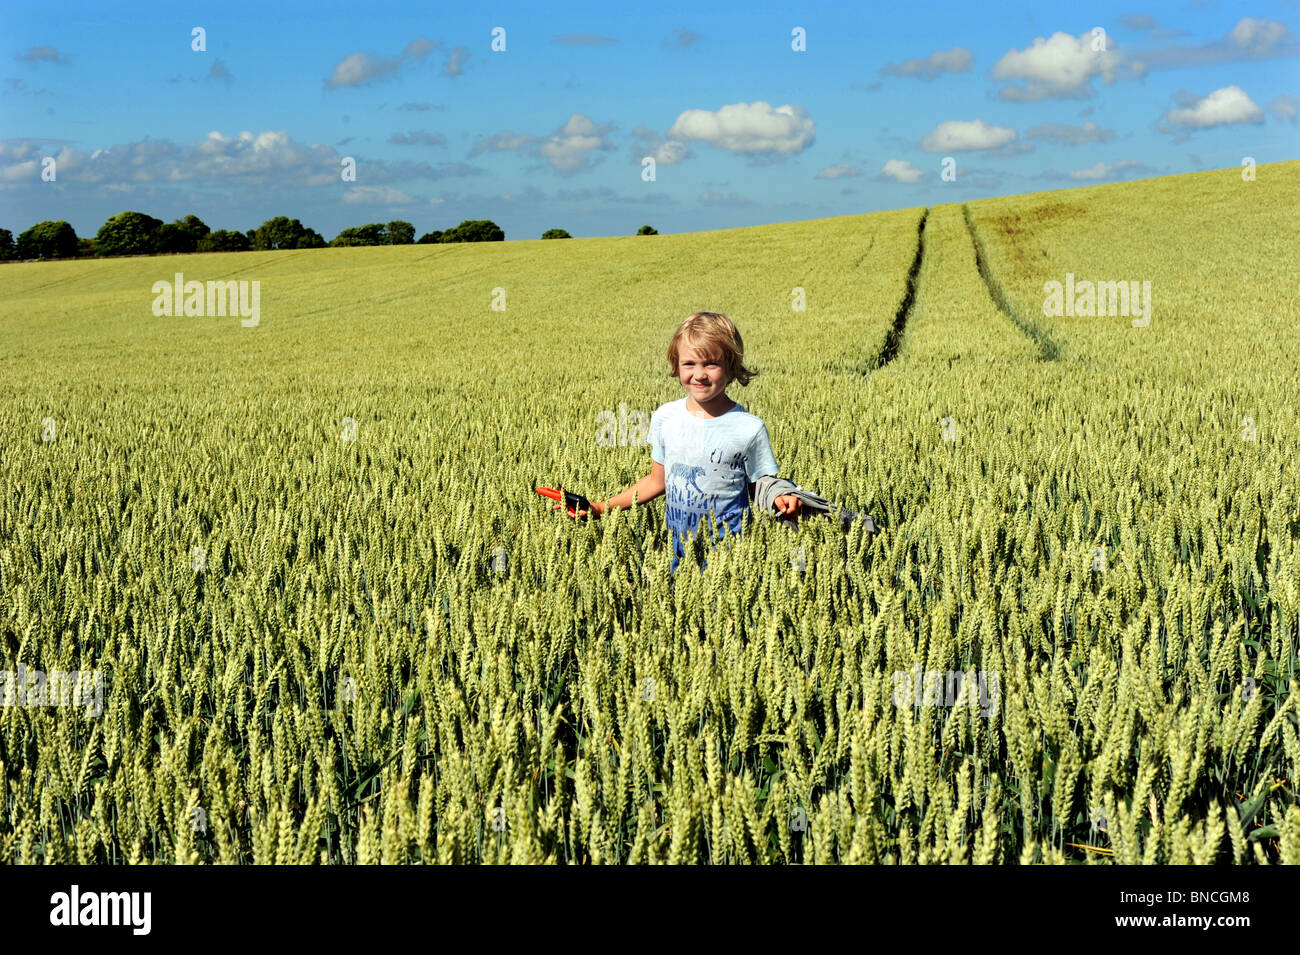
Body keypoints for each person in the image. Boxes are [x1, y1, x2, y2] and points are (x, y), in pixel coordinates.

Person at [555, 311, 802, 573]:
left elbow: (761, 484)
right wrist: (600, 508)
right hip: (679, 556)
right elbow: (656, 482)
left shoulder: (749, 428)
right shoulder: (665, 418)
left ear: (731, 365)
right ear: (676, 365)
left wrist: (781, 495)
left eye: (711, 363)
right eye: (689, 364)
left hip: (731, 561)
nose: (700, 374)